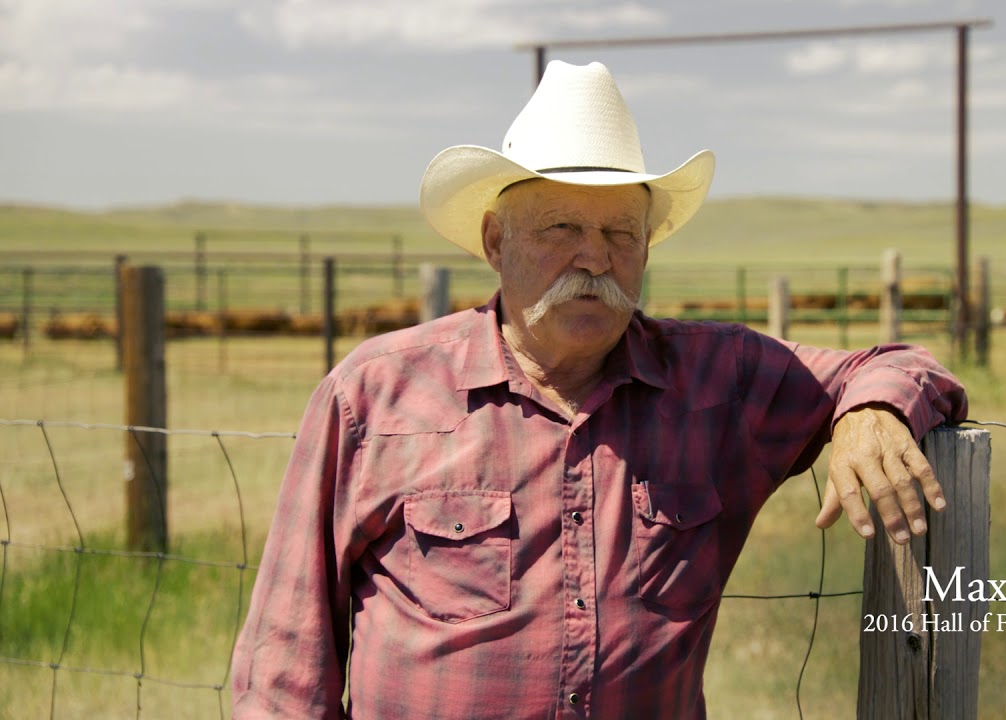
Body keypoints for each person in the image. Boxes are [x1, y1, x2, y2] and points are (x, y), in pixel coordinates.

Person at [230, 60, 967, 719]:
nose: (594, 257)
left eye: (622, 233)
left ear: (648, 246)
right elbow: (285, 665)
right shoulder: (374, 395)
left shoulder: (716, 383)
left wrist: (870, 412)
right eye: (560, 227)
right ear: (495, 241)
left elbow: (907, 364)